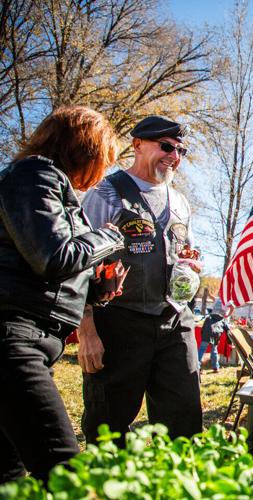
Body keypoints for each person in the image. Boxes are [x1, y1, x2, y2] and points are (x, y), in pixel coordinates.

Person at [0, 106, 124, 482]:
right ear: (84, 150)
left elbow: (57, 269)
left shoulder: (51, 187)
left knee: (10, 476)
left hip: (34, 342)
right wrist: (110, 237)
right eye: (102, 160)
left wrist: (100, 288)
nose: (101, 173)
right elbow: (54, 257)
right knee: (65, 472)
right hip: (14, 342)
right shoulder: (34, 175)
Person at [78, 115, 203, 443]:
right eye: (166, 146)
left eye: (181, 150)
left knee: (185, 424)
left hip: (175, 321)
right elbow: (78, 266)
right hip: (119, 324)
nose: (174, 156)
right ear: (137, 145)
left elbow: (180, 254)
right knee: (108, 429)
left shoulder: (180, 202)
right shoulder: (106, 193)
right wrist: (87, 332)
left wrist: (188, 264)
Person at [197, 303, 233, 373]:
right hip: (216, 335)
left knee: (201, 350)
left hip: (207, 334)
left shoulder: (209, 317)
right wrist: (230, 341)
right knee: (214, 351)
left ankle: (197, 367)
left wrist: (202, 335)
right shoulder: (223, 319)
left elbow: (203, 327)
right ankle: (216, 367)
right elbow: (228, 330)